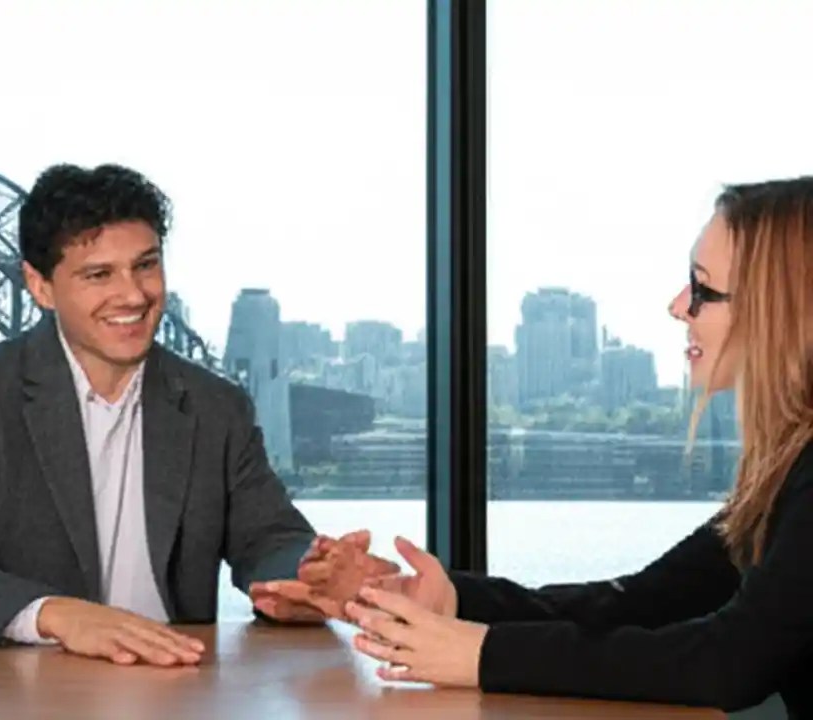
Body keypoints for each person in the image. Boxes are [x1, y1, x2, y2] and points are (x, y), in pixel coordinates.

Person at [330, 176, 813, 716]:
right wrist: (454, 600)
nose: (678, 306)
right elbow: (644, 600)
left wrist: (484, 656)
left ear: (779, 311)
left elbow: (727, 663)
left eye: (702, 290)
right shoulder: (784, 475)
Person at [0, 162, 394, 667]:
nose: (133, 295)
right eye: (99, 275)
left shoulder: (215, 405)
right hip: (26, 689)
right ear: (40, 286)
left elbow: (267, 539)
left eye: (146, 266)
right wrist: (57, 614)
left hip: (178, 682)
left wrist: (313, 572)